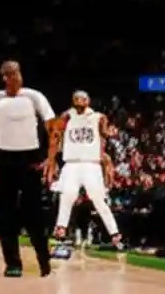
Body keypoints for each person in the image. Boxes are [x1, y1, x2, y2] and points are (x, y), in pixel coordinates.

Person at [0, 61, 55, 278]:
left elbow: (53, 128)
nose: (6, 79)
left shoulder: (34, 97)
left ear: (19, 75)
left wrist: (51, 158)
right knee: (5, 214)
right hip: (4, 160)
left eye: (10, 74)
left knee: (34, 214)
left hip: (30, 159)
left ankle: (43, 258)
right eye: (3, 75)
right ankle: (12, 263)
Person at [46, 91, 124, 249]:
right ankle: (60, 231)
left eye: (81, 98)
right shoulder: (67, 116)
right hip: (72, 163)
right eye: (75, 98)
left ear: (88, 101)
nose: (78, 100)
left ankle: (115, 235)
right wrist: (51, 159)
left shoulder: (98, 117)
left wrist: (108, 134)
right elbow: (54, 132)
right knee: (66, 197)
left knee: (98, 200)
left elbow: (105, 134)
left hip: (91, 163)